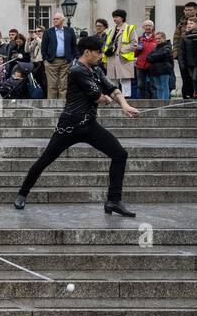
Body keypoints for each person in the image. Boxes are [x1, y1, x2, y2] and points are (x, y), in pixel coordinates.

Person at [15, 34, 140, 216]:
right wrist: (104, 98)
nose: (101, 56)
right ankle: (22, 194)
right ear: (87, 52)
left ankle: (113, 201)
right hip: (69, 126)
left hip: (89, 125)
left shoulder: (95, 69)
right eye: (98, 53)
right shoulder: (76, 70)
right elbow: (98, 97)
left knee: (120, 154)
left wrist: (125, 105)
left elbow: (112, 88)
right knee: (45, 160)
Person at [41, 12, 78, 98]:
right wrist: (45, 59)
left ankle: (63, 105)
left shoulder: (70, 30)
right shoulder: (48, 32)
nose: (54, 20)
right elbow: (44, 47)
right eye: (54, 19)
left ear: (62, 20)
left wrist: (73, 58)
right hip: (51, 61)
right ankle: (51, 105)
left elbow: (74, 45)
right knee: (52, 85)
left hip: (66, 61)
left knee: (64, 85)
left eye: (57, 19)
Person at [102, 9, 138, 98]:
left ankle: (126, 97)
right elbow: (106, 44)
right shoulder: (110, 30)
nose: (114, 19)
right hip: (111, 57)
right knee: (112, 79)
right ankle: (115, 97)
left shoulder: (129, 28)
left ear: (122, 18)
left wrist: (122, 50)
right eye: (113, 17)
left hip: (123, 58)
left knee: (125, 79)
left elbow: (134, 44)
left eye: (117, 17)